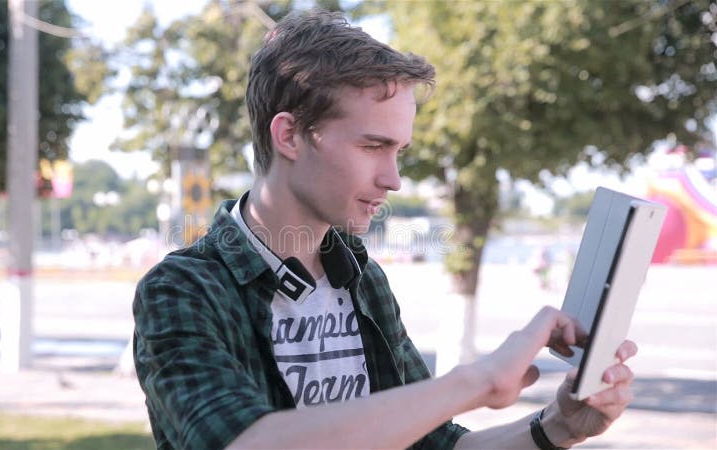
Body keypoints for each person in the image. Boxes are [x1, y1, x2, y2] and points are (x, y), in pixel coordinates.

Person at [133, 10, 637, 449]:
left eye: (399, 151)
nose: (393, 179)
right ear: (289, 135)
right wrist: (479, 381)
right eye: (373, 146)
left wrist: (557, 426)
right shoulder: (182, 290)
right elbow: (244, 443)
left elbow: (435, 444)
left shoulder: (361, 276)